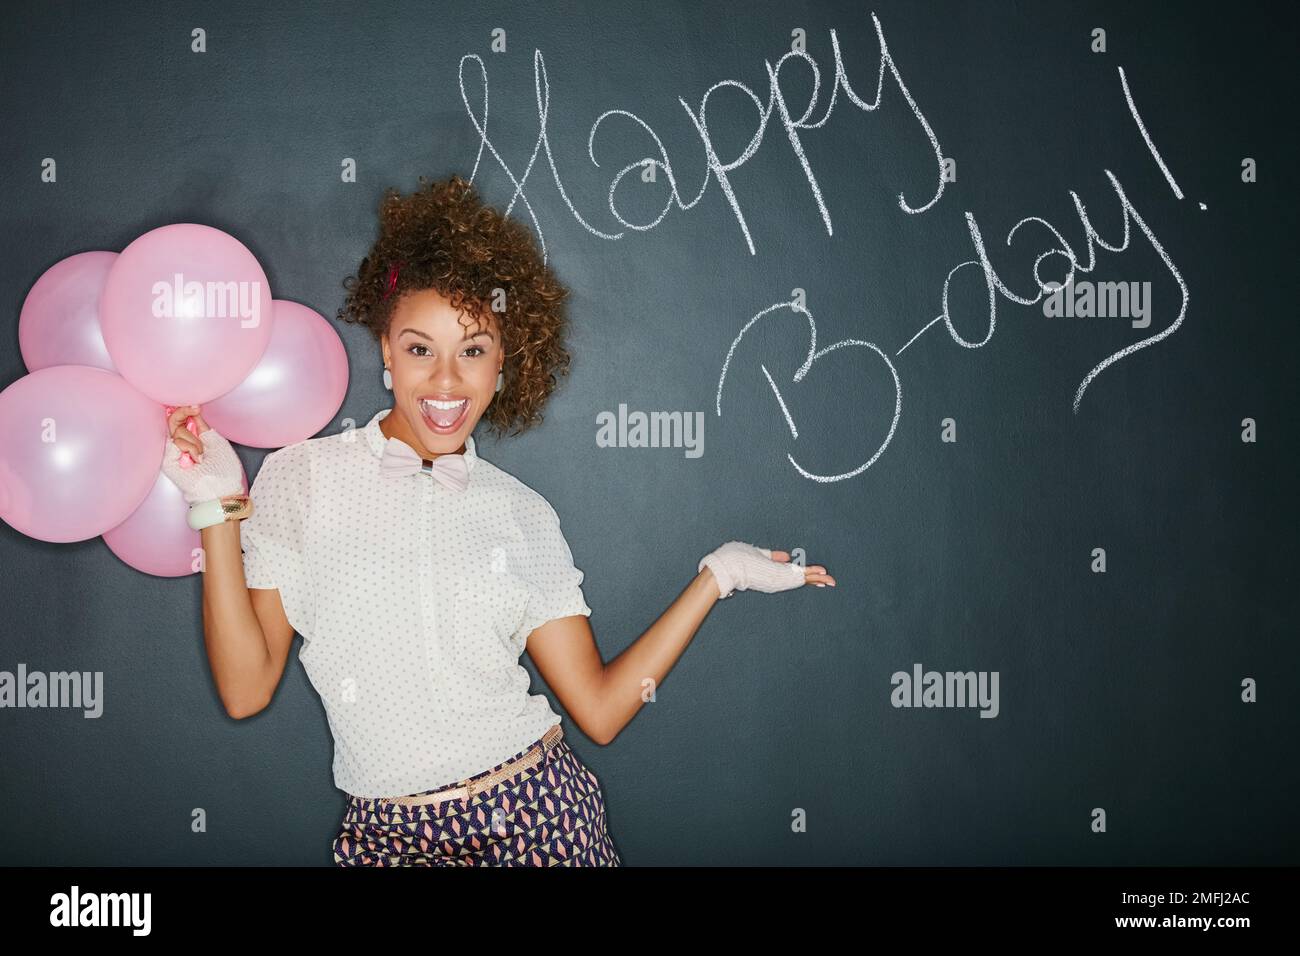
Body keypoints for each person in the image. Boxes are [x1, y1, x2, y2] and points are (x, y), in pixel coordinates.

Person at [160, 174, 836, 867]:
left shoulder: (524, 513)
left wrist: (717, 577)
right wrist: (215, 505)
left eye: (473, 350)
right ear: (386, 350)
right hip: (386, 837)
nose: (446, 381)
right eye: (420, 349)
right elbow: (245, 691)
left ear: (503, 361)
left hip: (540, 817)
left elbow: (601, 711)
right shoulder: (302, 477)